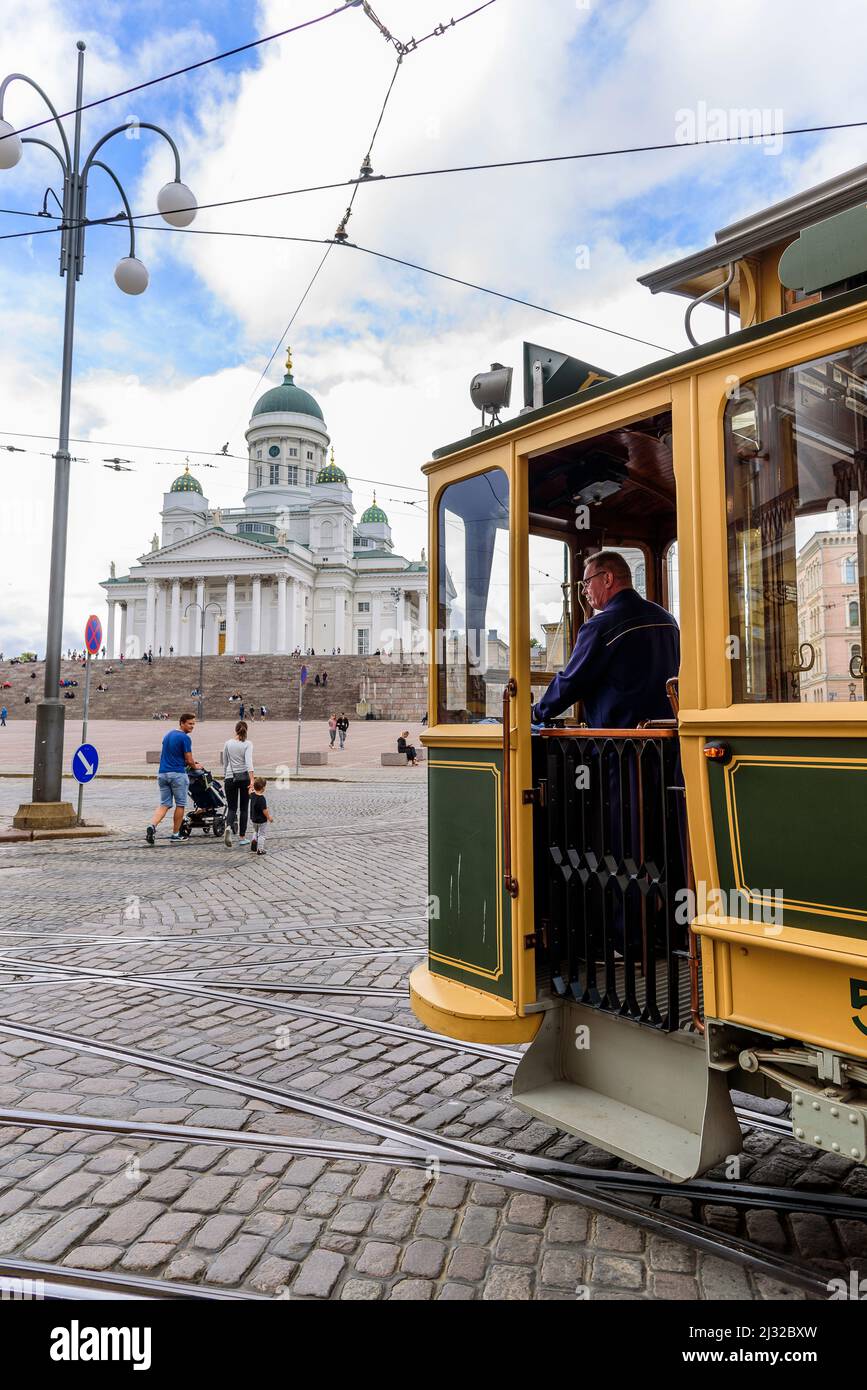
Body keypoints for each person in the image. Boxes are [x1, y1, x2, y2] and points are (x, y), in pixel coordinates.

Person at [531, 550, 680, 729]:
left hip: (617, 745)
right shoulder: (668, 620)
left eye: (586, 582)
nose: (584, 591)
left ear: (607, 579)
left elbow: (572, 683)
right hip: (668, 742)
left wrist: (536, 712)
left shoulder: (600, 626)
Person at [146, 712, 202, 844]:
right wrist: (196, 767)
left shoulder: (168, 735)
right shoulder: (185, 738)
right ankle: (176, 834)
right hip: (177, 774)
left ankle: (152, 825)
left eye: (193, 724)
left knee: (164, 804)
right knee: (180, 804)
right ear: (182, 723)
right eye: (189, 723)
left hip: (162, 773)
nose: (192, 726)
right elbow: (188, 759)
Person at [221, 719, 254, 847]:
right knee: (244, 808)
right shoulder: (248, 744)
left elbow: (225, 762)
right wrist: (252, 780)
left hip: (230, 777)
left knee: (232, 807)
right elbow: (249, 763)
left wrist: (225, 776)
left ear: (235, 730)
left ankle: (228, 826)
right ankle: (242, 837)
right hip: (244, 778)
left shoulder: (228, 743)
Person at [249, 777, 272, 856]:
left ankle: (254, 841)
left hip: (254, 819)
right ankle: (260, 849)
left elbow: (249, 792)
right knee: (262, 834)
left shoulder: (252, 795)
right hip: (262, 820)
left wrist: (251, 787)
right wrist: (269, 817)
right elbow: (264, 810)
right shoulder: (262, 799)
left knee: (255, 831)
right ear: (263, 788)